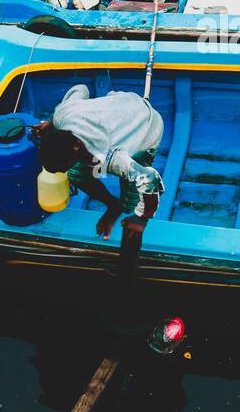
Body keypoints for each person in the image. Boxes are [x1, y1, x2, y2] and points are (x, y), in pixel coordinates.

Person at [37, 85, 165, 295]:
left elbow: (150, 179)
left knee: (132, 204)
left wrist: (141, 219)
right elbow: (81, 89)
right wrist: (50, 123)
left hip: (146, 129)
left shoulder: (113, 157)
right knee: (76, 174)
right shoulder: (62, 114)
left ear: (76, 147)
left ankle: (126, 279)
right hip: (122, 105)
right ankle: (113, 206)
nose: (63, 171)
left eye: (64, 165)